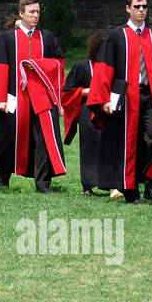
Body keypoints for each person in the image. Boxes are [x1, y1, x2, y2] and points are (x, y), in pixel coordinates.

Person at [86, 0, 152, 205]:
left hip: (151, 95)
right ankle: (131, 190)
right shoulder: (116, 36)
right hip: (126, 97)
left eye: (144, 6)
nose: (141, 10)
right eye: (137, 6)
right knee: (129, 144)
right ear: (128, 8)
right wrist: (104, 99)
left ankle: (151, 183)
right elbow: (103, 69)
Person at [0, 0, 67, 192]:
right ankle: (3, 179)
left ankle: (42, 182)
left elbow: (58, 65)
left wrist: (39, 66)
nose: (35, 16)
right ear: (21, 14)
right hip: (13, 96)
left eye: (37, 12)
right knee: (8, 137)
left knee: (43, 139)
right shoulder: (7, 38)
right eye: (31, 12)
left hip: (41, 97)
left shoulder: (47, 37)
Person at [63, 31, 108, 195]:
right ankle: (88, 185)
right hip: (88, 111)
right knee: (89, 147)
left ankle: (110, 183)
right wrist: (84, 92)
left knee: (108, 146)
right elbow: (67, 92)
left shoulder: (114, 67)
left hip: (108, 111)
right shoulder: (82, 67)